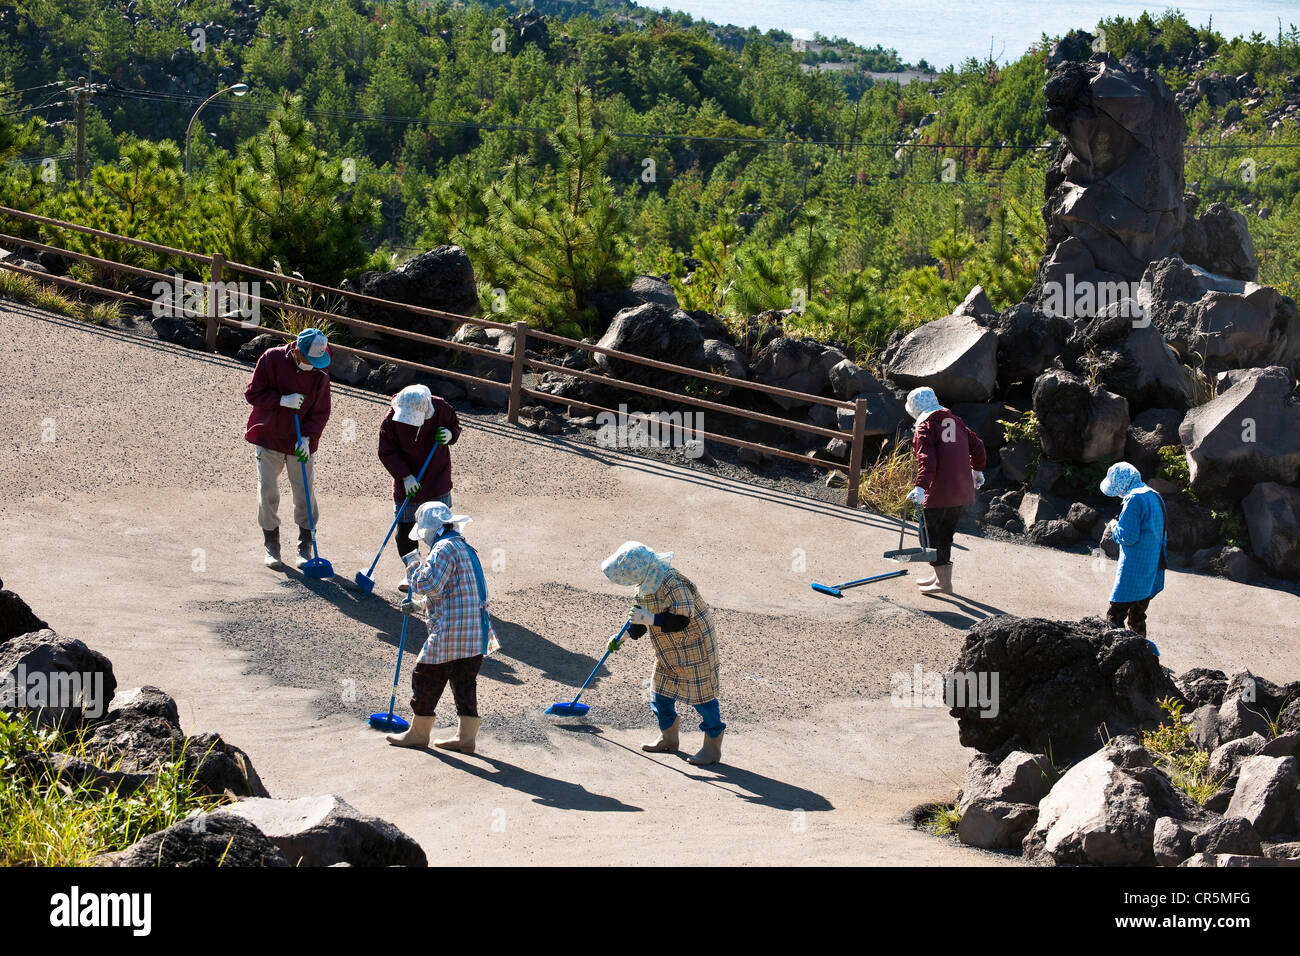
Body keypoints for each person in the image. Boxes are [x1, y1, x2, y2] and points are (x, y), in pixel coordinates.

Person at [387, 501, 499, 752]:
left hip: (452, 631)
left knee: (425, 676)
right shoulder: (465, 548)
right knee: (464, 682)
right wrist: (420, 606)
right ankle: (466, 738)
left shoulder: (443, 548)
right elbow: (456, 592)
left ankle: (418, 733)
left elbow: (431, 586)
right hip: (476, 632)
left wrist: (412, 561)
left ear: (429, 529)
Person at [602, 542, 725, 766]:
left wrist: (650, 619)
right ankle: (669, 738)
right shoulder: (644, 586)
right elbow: (640, 622)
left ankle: (712, 746)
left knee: (703, 699)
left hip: (695, 648)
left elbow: (681, 619)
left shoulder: (673, 582)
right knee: (660, 693)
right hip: (669, 651)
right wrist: (621, 637)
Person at [244, 328, 332, 569]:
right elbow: (252, 394)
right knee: (268, 491)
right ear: (296, 350)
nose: (313, 366)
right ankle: (271, 545)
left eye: (317, 362)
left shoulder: (320, 370)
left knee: (305, 494)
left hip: (300, 444)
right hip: (269, 438)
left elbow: (321, 411)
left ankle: (305, 546)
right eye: (309, 361)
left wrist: (307, 438)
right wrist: (281, 400)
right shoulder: (271, 358)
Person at [377, 384, 461, 592]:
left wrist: (450, 435)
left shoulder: (441, 408)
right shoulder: (393, 414)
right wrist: (404, 476)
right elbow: (386, 450)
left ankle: (443, 573)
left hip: (437, 479)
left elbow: (455, 427)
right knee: (405, 530)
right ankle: (413, 572)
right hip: (407, 481)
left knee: (443, 530)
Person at [905, 386, 987, 596]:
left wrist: (921, 487)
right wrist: (977, 470)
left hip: (939, 491)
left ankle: (943, 583)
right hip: (961, 490)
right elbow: (977, 445)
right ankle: (940, 577)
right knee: (945, 534)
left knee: (929, 537)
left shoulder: (925, 427)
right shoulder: (956, 421)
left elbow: (927, 461)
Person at [1100, 461, 1167, 641]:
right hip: (1151, 566)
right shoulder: (1155, 496)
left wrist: (1114, 526)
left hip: (1133, 568)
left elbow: (1128, 537)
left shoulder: (1133, 498)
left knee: (1114, 616)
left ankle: (1114, 654)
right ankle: (1143, 655)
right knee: (1137, 615)